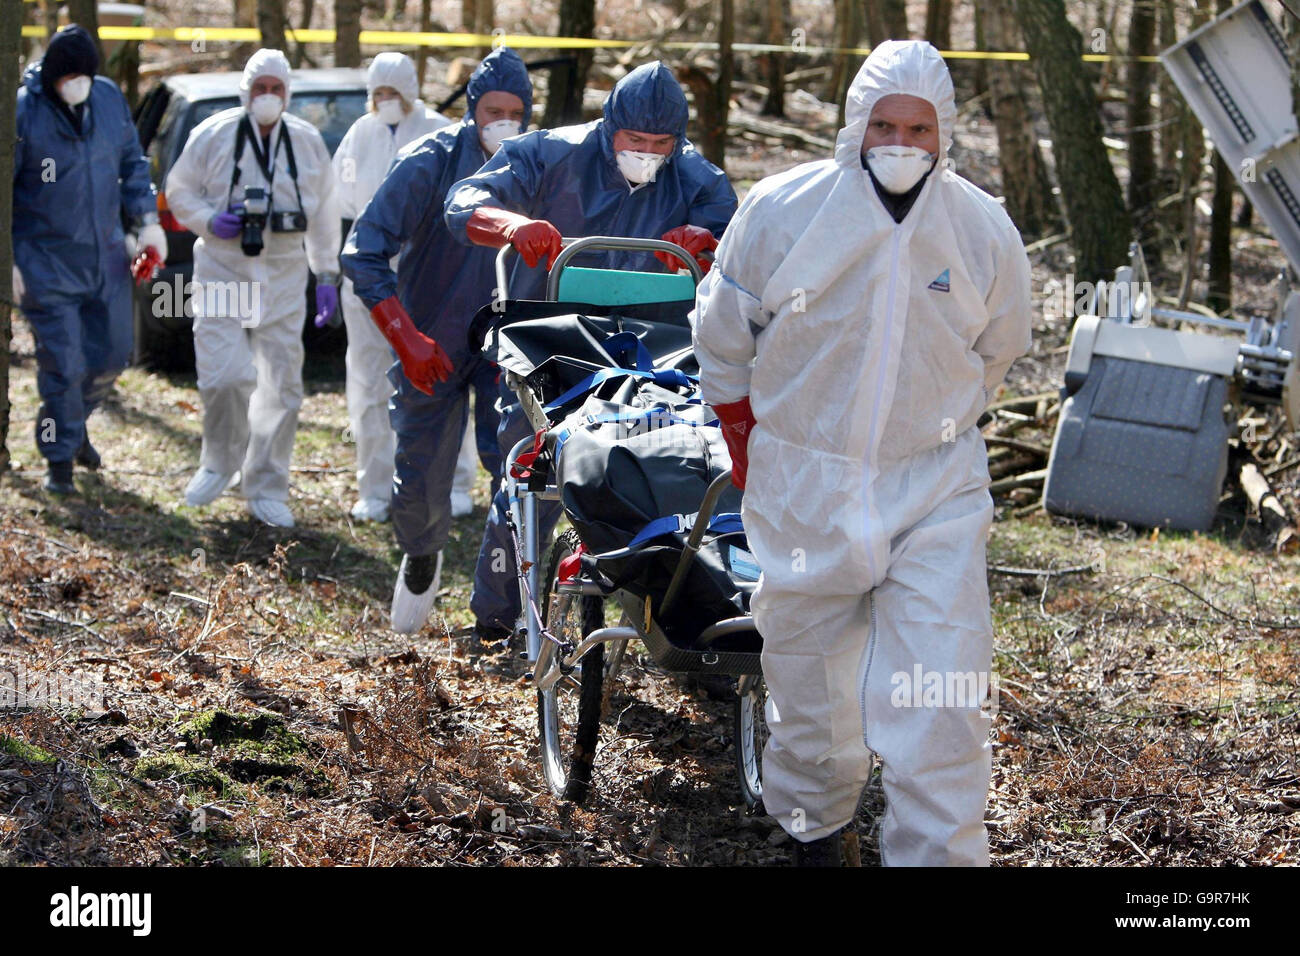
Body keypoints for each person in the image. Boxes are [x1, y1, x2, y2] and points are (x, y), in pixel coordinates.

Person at [692, 40, 1032, 866]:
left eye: (920, 127)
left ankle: (937, 855)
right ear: (855, 121)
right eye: (885, 122)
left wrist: (932, 426)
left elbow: (998, 350)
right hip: (804, 482)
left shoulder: (982, 230)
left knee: (944, 695)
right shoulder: (784, 211)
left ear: (944, 132)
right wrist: (746, 438)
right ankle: (816, 829)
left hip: (933, 491)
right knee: (811, 683)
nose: (901, 143)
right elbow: (723, 340)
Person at [444, 60, 737, 643]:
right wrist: (510, 225)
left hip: (653, 352)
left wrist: (707, 242)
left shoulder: (695, 177)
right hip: (553, 345)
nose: (648, 153)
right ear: (609, 128)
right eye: (635, 140)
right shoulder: (550, 154)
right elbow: (464, 201)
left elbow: (741, 241)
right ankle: (498, 622)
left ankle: (683, 616)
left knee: (672, 476)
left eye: (662, 144)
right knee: (531, 478)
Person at [340, 48, 532, 634]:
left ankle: (508, 607)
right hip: (434, 339)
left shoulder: (539, 162)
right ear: (472, 109)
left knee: (519, 470)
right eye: (492, 109)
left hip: (508, 342)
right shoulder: (428, 161)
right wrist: (404, 337)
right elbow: (364, 250)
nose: (504, 121)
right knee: (420, 474)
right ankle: (421, 557)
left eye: (515, 111)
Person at [165, 49, 340, 528]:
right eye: (259, 88)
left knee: (281, 386)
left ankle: (265, 483)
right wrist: (206, 221)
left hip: (283, 274)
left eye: (276, 89)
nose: (267, 97)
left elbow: (325, 213)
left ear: (288, 95)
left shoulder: (305, 143)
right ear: (246, 92)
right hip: (224, 269)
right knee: (226, 376)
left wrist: (326, 274)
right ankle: (218, 463)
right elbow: (178, 190)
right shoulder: (214, 134)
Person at [12, 24, 163, 495]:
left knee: (113, 355)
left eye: (85, 75)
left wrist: (146, 222)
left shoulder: (107, 99)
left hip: (107, 258)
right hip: (45, 259)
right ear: (53, 77)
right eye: (69, 76)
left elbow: (131, 163)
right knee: (64, 364)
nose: (78, 83)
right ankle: (58, 461)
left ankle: (72, 428)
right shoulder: (24, 112)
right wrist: (10, 262)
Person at [331, 52, 454, 523]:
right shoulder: (358, 135)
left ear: (410, 91)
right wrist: (326, 268)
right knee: (367, 381)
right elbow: (338, 197)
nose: (385, 102)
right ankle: (376, 489)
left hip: (427, 273)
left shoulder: (440, 132)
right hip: (370, 274)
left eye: (393, 93)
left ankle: (452, 482)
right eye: (377, 94)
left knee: (441, 375)